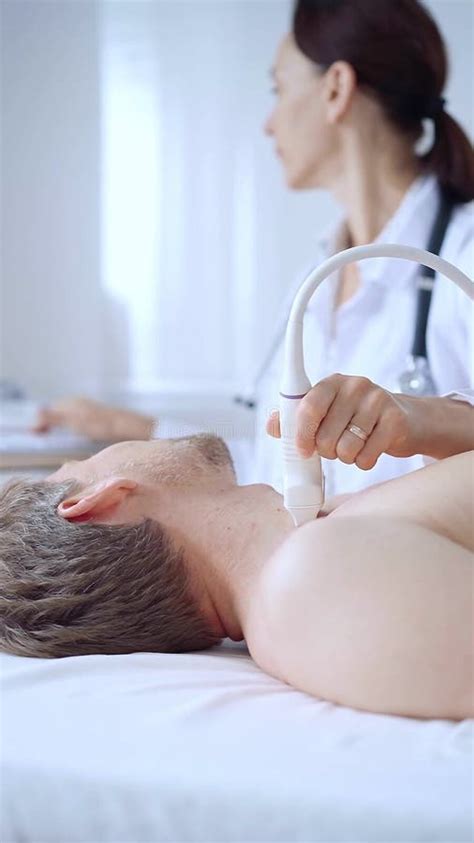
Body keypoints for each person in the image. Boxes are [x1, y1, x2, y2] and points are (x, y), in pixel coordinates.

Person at [32, 0, 473, 497]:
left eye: (278, 89)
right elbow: (271, 464)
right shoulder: (317, 278)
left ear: (336, 89)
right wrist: (122, 427)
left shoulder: (464, 254)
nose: (268, 123)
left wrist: (421, 419)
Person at [1, 434, 472, 720]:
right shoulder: (315, 581)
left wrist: (441, 424)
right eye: (84, 462)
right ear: (100, 501)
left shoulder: (332, 545)